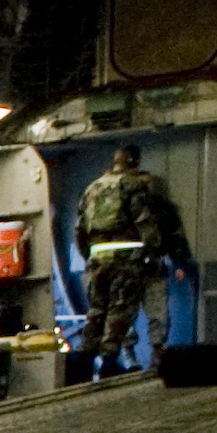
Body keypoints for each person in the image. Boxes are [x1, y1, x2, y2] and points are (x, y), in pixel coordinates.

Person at [72, 145, 175, 376]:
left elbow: (79, 227)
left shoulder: (92, 188)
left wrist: (88, 254)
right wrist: (152, 252)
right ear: (134, 162)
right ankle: (109, 358)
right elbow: (144, 221)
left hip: (97, 256)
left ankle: (85, 357)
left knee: (96, 309)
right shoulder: (133, 185)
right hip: (126, 257)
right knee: (119, 308)